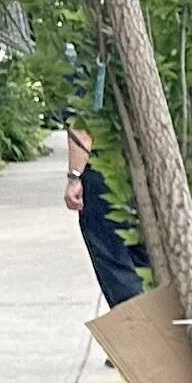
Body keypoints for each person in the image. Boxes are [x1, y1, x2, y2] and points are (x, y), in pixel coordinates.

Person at [63, 113, 143, 309]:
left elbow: (81, 129)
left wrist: (74, 177)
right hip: (144, 167)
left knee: (114, 260)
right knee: (145, 257)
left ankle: (139, 328)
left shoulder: (85, 81)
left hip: (105, 171)